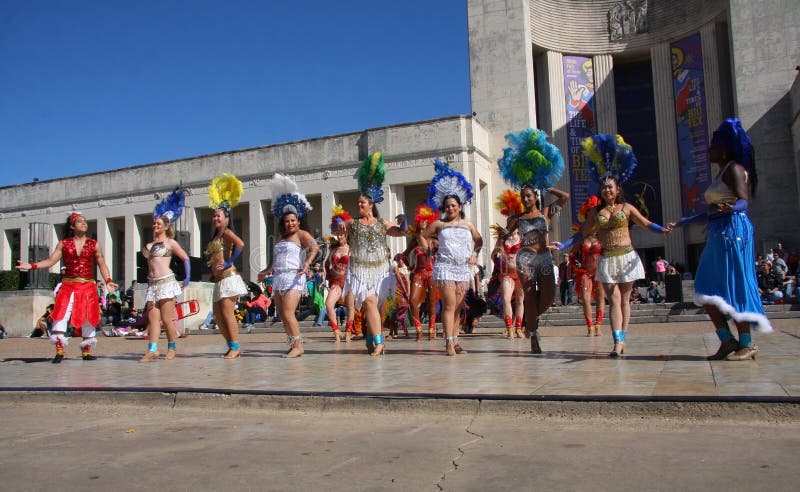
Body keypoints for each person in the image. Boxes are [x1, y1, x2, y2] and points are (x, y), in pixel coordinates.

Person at [559, 134, 672, 357]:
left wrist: (663, 230)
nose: (607, 190)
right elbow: (582, 232)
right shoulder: (596, 212)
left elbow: (645, 223)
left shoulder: (627, 208)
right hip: (607, 258)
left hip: (626, 256)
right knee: (614, 300)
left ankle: (623, 337)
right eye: (603, 187)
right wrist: (562, 244)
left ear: (618, 189)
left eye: (610, 187)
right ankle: (617, 341)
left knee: (625, 300)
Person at [669, 118, 772, 360]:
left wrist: (732, 209)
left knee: (735, 285)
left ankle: (747, 343)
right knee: (704, 288)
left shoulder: (735, 169)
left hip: (734, 231)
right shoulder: (722, 173)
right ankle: (727, 340)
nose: (709, 151)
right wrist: (682, 222)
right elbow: (712, 211)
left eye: (713, 147)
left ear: (724, 150)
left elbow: (744, 201)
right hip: (719, 232)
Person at [498, 128, 569, 354]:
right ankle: (534, 335)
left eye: (529, 196)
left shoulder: (546, 212)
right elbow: (504, 233)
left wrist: (547, 187)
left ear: (535, 196)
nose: (526, 199)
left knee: (548, 296)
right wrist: (500, 246)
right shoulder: (518, 219)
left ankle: (529, 321)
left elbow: (565, 197)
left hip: (544, 258)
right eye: (523, 197)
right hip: (525, 259)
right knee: (529, 295)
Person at [16, 212, 117, 362]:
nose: (84, 223)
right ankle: (59, 350)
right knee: (61, 315)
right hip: (69, 285)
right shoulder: (63, 244)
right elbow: (51, 261)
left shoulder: (94, 244)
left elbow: (102, 263)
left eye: (85, 221)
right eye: (80, 221)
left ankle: (86, 352)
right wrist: (32, 265)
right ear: (72, 226)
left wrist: (108, 280)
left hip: (88, 286)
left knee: (88, 317)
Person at [338, 151, 407, 356]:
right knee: (368, 302)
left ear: (371, 205)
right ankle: (378, 341)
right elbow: (336, 229)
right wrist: (338, 225)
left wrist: (404, 222)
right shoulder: (352, 223)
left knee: (373, 305)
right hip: (360, 270)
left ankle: (372, 338)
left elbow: (400, 232)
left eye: (363, 202)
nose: (359, 205)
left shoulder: (382, 222)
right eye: (358, 203)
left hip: (380, 270)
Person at [420, 158, 483, 356]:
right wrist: (429, 250)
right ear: (443, 207)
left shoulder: (468, 225)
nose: (451, 209)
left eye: (454, 205)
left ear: (460, 206)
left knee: (457, 307)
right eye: (447, 206)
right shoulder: (439, 224)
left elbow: (479, 241)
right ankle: (447, 342)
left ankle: (455, 341)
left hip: (463, 268)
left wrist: (474, 254)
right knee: (448, 305)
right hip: (445, 267)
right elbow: (422, 236)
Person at [262, 173, 318, 358]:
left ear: (298, 221)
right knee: (281, 314)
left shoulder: (302, 234)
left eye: (293, 220)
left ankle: (299, 345)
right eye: (287, 221)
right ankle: (293, 343)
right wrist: (266, 271)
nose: (290, 223)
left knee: (288, 312)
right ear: (283, 223)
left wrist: (306, 265)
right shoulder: (281, 237)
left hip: (295, 276)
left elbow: (314, 248)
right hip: (279, 277)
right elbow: (275, 260)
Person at [138, 190, 191, 362]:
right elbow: (149, 265)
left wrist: (187, 277)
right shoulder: (148, 245)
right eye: (154, 223)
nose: (155, 225)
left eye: (158, 223)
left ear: (166, 227)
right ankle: (152, 350)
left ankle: (172, 347)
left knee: (167, 319)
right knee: (153, 319)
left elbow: (185, 258)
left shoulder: (170, 243)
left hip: (167, 283)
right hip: (153, 285)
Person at [205, 173, 248, 359]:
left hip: (229, 277)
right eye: (214, 215)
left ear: (226, 218)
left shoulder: (227, 233)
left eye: (219, 216)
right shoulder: (215, 236)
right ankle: (232, 346)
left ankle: (235, 347)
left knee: (227, 314)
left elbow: (241, 244)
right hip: (218, 280)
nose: (216, 218)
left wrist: (229, 262)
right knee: (217, 316)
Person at [490, 190, 525, 339]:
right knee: (505, 299)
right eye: (509, 218)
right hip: (506, 274)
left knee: (520, 301)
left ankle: (519, 328)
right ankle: (509, 328)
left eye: (514, 218)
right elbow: (493, 254)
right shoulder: (503, 237)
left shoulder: (523, 236)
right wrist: (499, 254)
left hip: (521, 273)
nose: (511, 221)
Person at [401, 204, 439, 341]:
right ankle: (419, 330)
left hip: (432, 274)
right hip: (418, 274)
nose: (423, 222)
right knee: (412, 300)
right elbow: (404, 256)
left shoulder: (434, 241)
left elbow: (442, 255)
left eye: (425, 220)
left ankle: (431, 330)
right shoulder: (415, 240)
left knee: (432, 302)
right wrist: (410, 267)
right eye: (420, 220)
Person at [569, 196, 605, 336]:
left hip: (600, 271)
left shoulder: (603, 232)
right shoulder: (582, 233)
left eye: (595, 213)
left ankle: (598, 325)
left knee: (600, 298)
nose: (592, 216)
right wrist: (573, 262)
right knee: (585, 298)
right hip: (585, 271)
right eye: (590, 213)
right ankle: (590, 326)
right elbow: (573, 251)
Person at [324, 205, 355, 341]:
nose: (340, 236)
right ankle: (336, 331)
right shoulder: (333, 250)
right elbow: (326, 263)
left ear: (346, 234)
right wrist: (329, 276)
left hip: (349, 282)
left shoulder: (352, 249)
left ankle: (348, 332)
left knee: (350, 306)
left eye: (342, 233)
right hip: (337, 282)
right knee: (329, 304)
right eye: (338, 234)